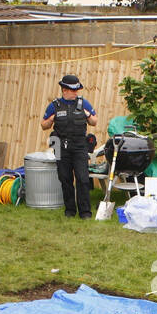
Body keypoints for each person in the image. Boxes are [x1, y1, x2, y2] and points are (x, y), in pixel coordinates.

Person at [41, 74, 98, 218]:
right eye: (73, 90)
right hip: (60, 146)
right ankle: (70, 211)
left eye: (77, 90)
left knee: (83, 178)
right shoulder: (54, 105)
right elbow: (43, 125)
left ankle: (85, 212)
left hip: (79, 145)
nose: (76, 92)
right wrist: (52, 118)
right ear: (64, 90)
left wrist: (87, 115)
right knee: (65, 178)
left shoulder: (83, 103)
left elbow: (94, 122)